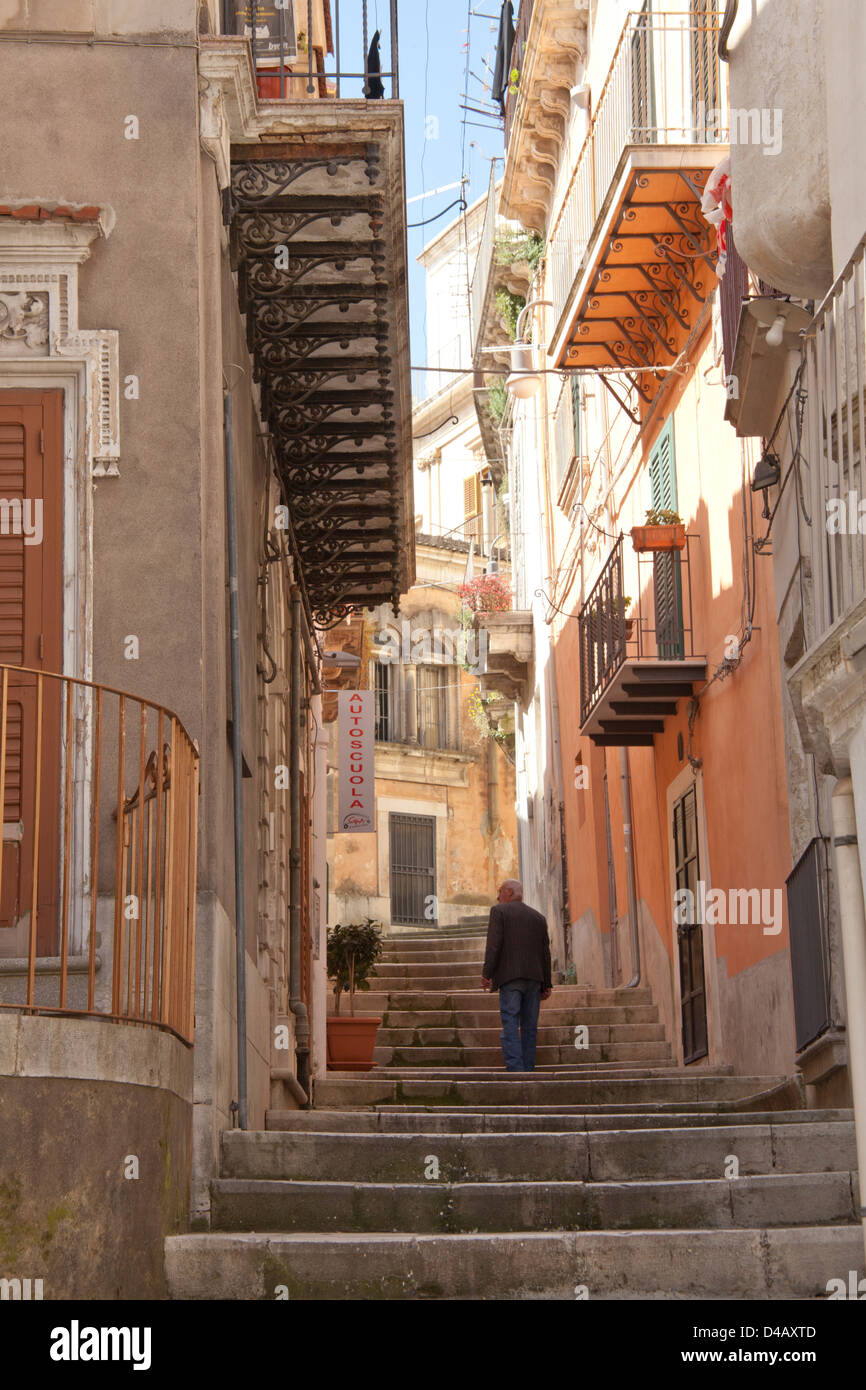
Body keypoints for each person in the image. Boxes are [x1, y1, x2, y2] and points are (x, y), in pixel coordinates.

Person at [481, 879, 552, 1072]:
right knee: (530, 1026)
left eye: (500, 892)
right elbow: (545, 953)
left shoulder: (499, 912)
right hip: (534, 979)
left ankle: (515, 1068)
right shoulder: (539, 918)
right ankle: (528, 1067)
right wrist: (547, 983)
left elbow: (494, 945)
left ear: (509, 893)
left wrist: (486, 973)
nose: (498, 897)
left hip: (510, 977)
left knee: (510, 1022)